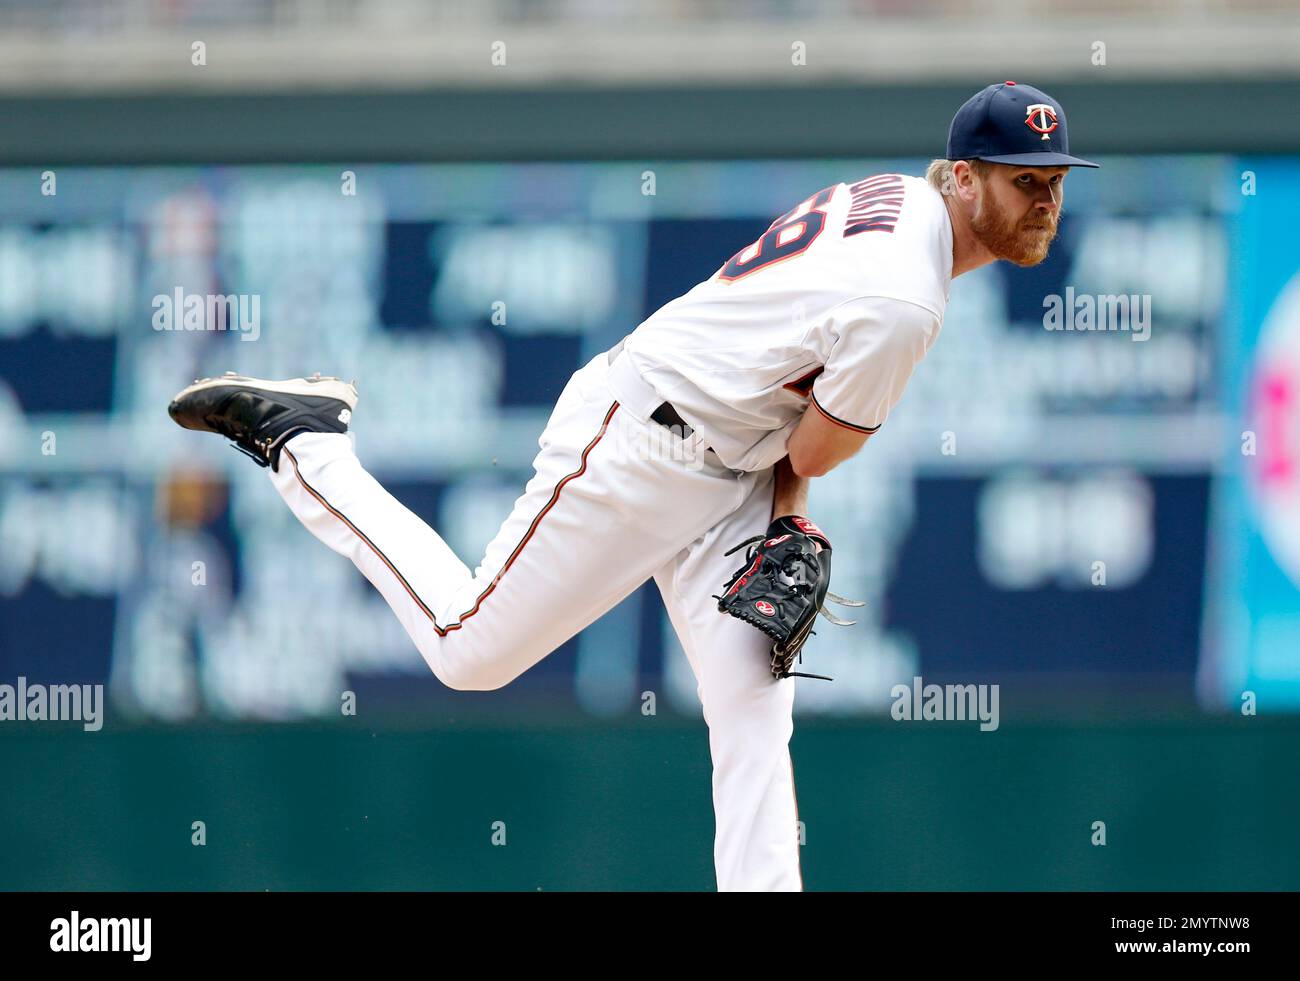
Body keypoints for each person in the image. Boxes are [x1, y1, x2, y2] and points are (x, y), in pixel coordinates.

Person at [167, 81, 1096, 891]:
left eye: (1053, 182)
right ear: (964, 176)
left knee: (752, 715)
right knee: (468, 649)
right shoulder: (909, 299)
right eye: (1024, 180)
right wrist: (793, 510)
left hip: (724, 456)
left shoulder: (895, 200)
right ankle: (308, 444)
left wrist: (782, 514)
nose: (1044, 201)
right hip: (641, 444)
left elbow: (792, 416)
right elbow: (811, 455)